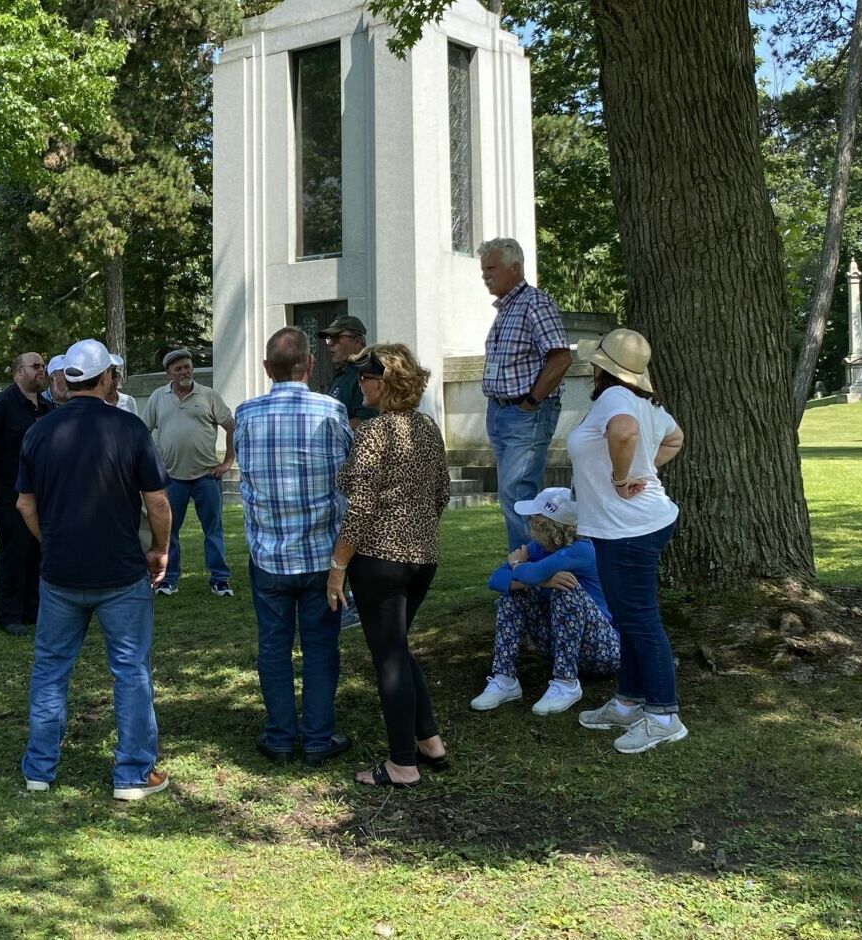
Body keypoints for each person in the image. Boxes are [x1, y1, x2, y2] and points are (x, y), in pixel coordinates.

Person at [16, 339, 173, 800]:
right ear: (107, 379)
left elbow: (25, 503)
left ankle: (39, 770)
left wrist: (53, 540)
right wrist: (160, 548)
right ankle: (132, 774)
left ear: (68, 378)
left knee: (50, 671)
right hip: (121, 573)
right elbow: (158, 501)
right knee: (130, 671)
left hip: (61, 573)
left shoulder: (39, 432)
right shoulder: (128, 427)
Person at [326, 344, 451, 787]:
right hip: (423, 559)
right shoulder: (427, 428)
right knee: (398, 647)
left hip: (380, 562)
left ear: (385, 383)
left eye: (365, 378)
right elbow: (442, 494)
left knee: (389, 658)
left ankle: (402, 764)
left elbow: (358, 508)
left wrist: (338, 564)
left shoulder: (376, 433)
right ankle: (428, 739)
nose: (359, 384)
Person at [235, 327, 354, 766]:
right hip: (323, 553)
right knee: (321, 647)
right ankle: (318, 738)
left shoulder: (246, 413)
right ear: (309, 365)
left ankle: (282, 736)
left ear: (267, 369)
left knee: (273, 646)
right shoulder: (333, 410)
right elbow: (347, 473)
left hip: (269, 552)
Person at [567, 329, 687, 754]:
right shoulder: (642, 402)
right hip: (633, 525)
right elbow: (675, 438)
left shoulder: (616, 402)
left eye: (595, 365)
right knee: (630, 617)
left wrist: (621, 479)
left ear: (604, 370)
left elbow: (623, 434)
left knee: (639, 620)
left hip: (629, 529)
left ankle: (662, 717)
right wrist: (642, 469)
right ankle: (628, 702)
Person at [471, 486, 621, 716]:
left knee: (566, 590)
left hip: (602, 652)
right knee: (513, 595)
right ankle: (504, 678)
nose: (529, 525)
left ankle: (566, 683)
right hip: (557, 647)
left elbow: (527, 573)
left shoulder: (581, 549)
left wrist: (519, 566)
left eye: (534, 521)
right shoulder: (537, 548)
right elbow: (496, 579)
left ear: (548, 527)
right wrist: (543, 581)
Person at [480, 236, 573, 552]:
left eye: (491, 268)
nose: (485, 275)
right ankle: (525, 568)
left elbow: (561, 357)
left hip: (525, 414)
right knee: (512, 495)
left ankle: (533, 575)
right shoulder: (507, 308)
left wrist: (531, 402)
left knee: (516, 493)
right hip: (501, 412)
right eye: (483, 269)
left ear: (515, 268)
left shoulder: (535, 303)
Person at [143, 348, 236, 597]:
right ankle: (168, 580)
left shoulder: (208, 395)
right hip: (172, 478)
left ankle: (220, 579)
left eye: (187, 366)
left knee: (213, 530)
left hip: (207, 475)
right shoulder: (157, 397)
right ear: (168, 374)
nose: (184, 371)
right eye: (178, 368)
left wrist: (227, 462)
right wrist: (153, 464)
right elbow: (143, 432)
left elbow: (231, 426)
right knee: (168, 531)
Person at [0, 351, 51, 635]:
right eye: (35, 366)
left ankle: (33, 609)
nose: (41, 370)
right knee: (14, 552)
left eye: (43, 366)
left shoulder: (45, 406)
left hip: (43, 493)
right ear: (18, 371)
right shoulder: (0, 405)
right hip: (11, 491)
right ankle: (10, 615)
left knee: (38, 551)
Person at [318, 316, 378, 429]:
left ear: (357, 341)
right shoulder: (342, 374)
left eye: (336, 338)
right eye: (329, 338)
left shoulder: (366, 375)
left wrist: (327, 430)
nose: (330, 343)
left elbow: (367, 422)